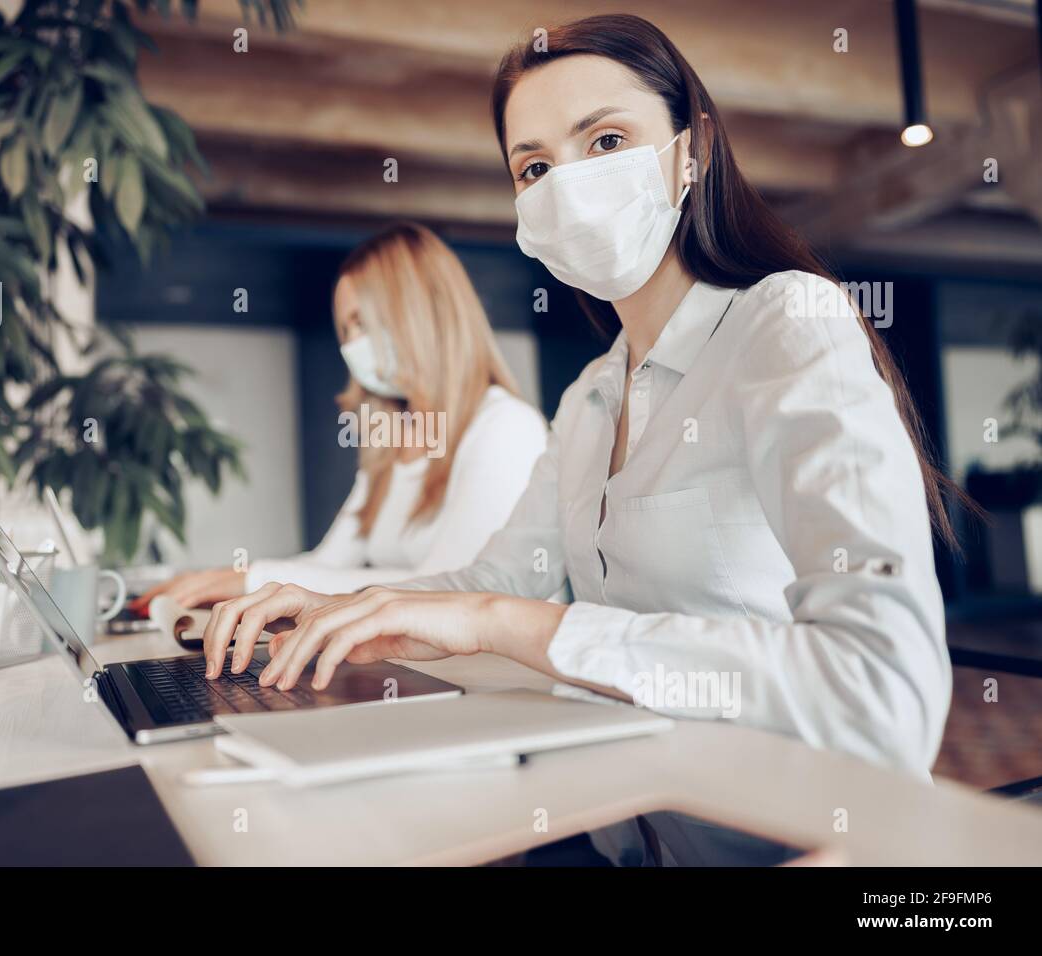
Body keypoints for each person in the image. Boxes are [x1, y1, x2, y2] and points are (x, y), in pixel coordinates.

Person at [199, 14, 961, 798]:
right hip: (622, 824)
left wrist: (504, 623)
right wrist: (339, 607)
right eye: (533, 167)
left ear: (690, 151)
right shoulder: (592, 396)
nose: (568, 186)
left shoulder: (786, 324)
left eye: (604, 142)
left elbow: (883, 689)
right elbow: (498, 581)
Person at [135, 222, 547, 612]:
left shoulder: (505, 428)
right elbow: (328, 563)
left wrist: (252, 579)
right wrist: (235, 583)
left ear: (424, 313)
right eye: (346, 331)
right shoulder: (391, 443)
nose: (352, 345)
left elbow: (445, 587)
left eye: (362, 323)